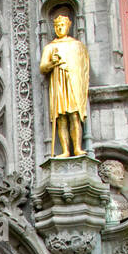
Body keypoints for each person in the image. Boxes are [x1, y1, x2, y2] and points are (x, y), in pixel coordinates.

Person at [39, 13, 89, 157]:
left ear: (68, 26)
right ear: (54, 28)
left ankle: (77, 148)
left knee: (74, 116)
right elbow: (43, 67)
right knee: (60, 118)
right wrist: (52, 62)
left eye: (63, 25)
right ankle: (66, 150)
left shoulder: (77, 45)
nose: (60, 28)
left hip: (73, 83)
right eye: (58, 26)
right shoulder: (50, 47)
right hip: (58, 85)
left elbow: (83, 67)